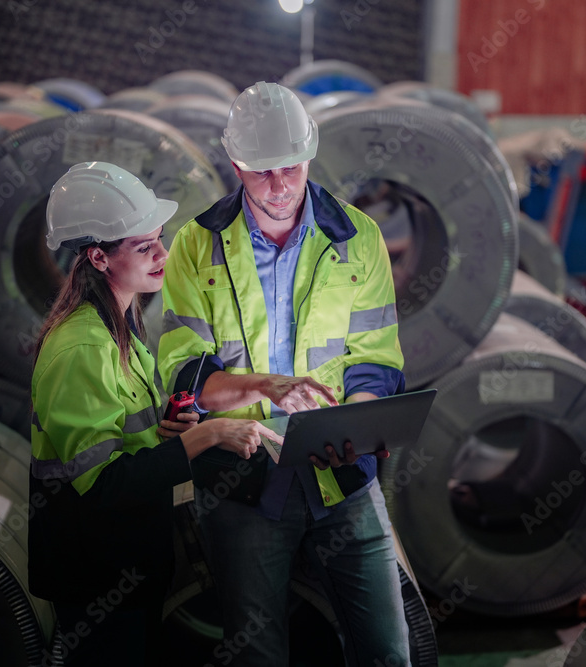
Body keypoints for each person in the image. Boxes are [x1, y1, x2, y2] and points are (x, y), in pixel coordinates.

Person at [159, 82, 411, 666]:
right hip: (242, 480)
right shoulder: (197, 246)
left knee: (388, 652)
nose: (278, 186)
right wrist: (265, 388)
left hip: (341, 474)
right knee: (258, 653)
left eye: (290, 168)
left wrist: (361, 417)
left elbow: (376, 354)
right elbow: (186, 371)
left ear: (310, 155)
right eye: (261, 171)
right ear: (235, 163)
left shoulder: (357, 238)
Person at [28, 161, 282, 666]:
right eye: (145, 247)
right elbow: (101, 486)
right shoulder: (83, 345)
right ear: (99, 258)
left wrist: (167, 429)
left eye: (159, 239)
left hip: (127, 558)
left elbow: (127, 438)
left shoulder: (120, 324)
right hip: (95, 571)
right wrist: (206, 438)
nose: (163, 255)